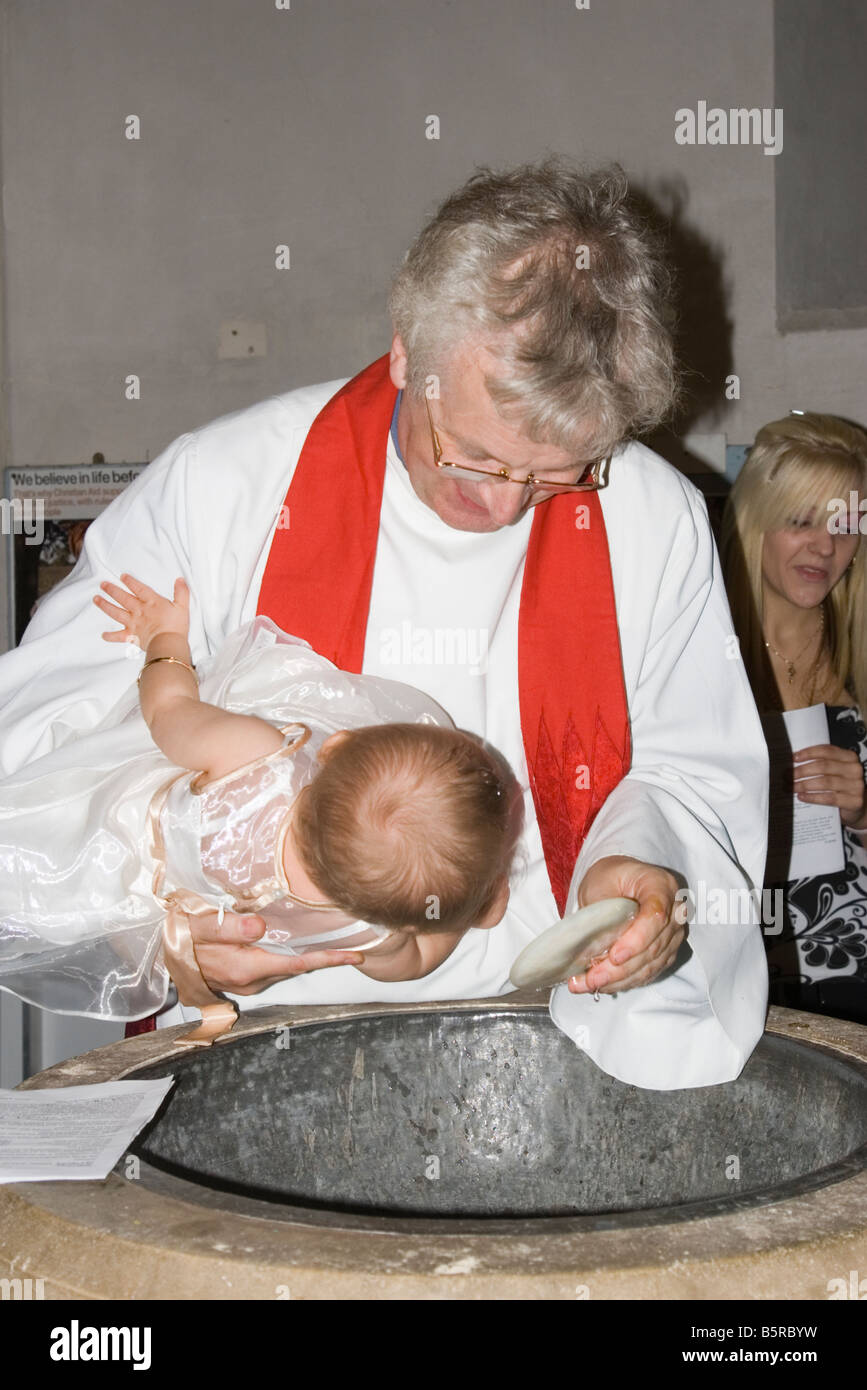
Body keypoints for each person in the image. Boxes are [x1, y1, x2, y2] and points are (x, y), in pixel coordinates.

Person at [0, 160, 770, 1090]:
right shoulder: (228, 486)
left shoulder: (649, 513)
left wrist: (640, 871)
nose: (503, 507)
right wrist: (175, 941)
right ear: (407, 352)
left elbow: (695, 768)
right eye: (473, 455)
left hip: (555, 1029)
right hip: (269, 1024)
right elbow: (39, 756)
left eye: (556, 473)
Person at [0, 573, 518, 1043]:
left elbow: (167, 709)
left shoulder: (253, 762)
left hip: (118, 829)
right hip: (147, 902)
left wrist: (164, 640)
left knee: (54, 789)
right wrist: (467, 905)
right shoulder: (366, 933)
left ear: (333, 746)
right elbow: (418, 962)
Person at [720, 412, 867, 1024]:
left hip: (856, 976)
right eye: (801, 521)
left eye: (842, 525)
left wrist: (862, 812)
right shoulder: (698, 657)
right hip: (736, 973)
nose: (824, 547)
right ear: (757, 524)